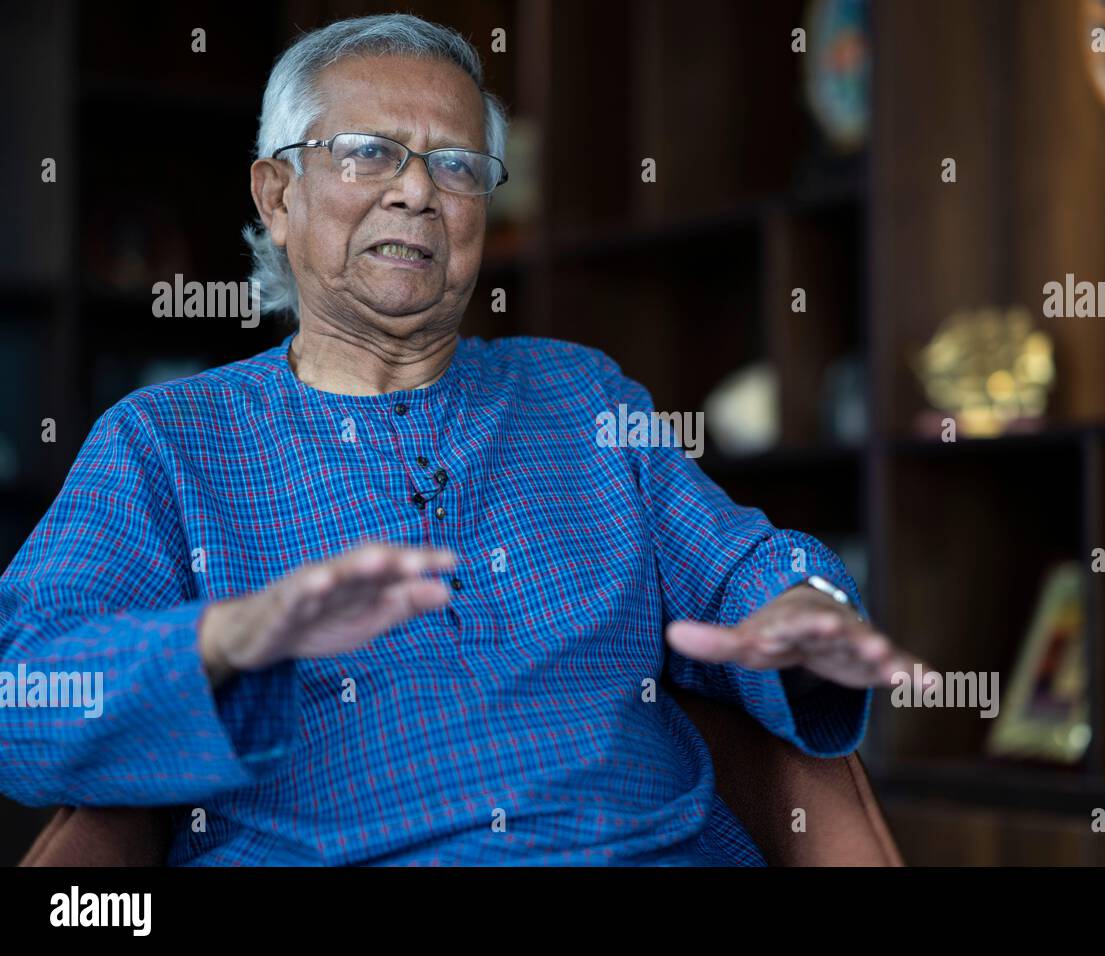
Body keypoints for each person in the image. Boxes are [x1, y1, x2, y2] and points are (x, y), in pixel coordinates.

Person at [0, 13, 923, 866]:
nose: (417, 191)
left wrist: (804, 609)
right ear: (277, 196)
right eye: (370, 153)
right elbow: (23, 700)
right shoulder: (164, 442)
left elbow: (739, 573)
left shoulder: (581, 391)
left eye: (457, 165)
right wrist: (226, 636)